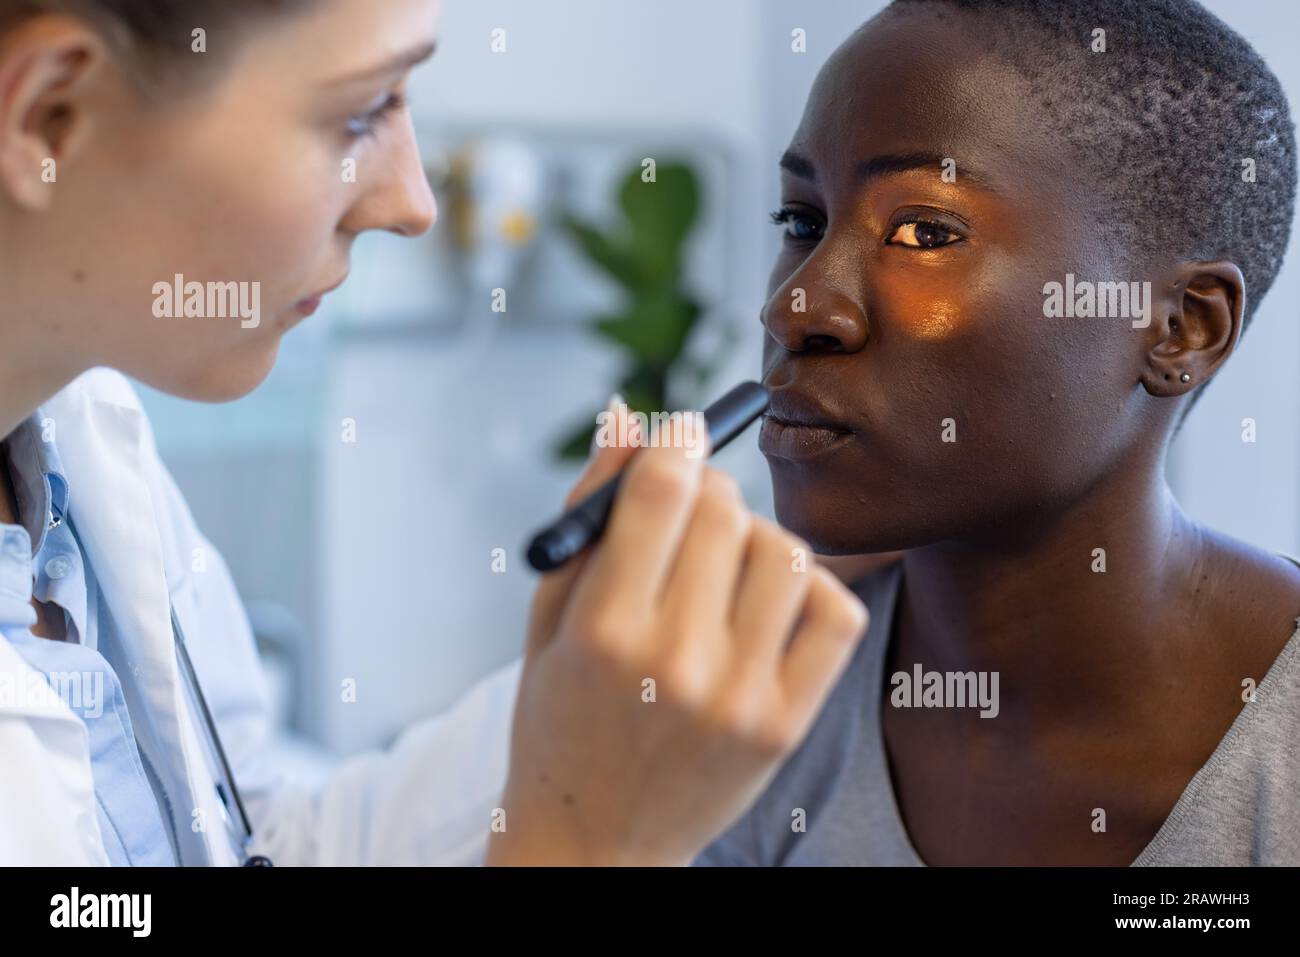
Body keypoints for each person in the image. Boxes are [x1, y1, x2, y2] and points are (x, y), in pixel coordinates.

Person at [0, 0, 871, 866]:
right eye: (358, 111)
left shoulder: (80, 446)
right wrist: (583, 843)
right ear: (50, 117)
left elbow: (260, 837)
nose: (411, 203)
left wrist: (579, 725)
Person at [697, 0, 1300, 866]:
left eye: (923, 232)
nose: (796, 306)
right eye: (802, 222)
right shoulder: (754, 709)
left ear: (1180, 329)